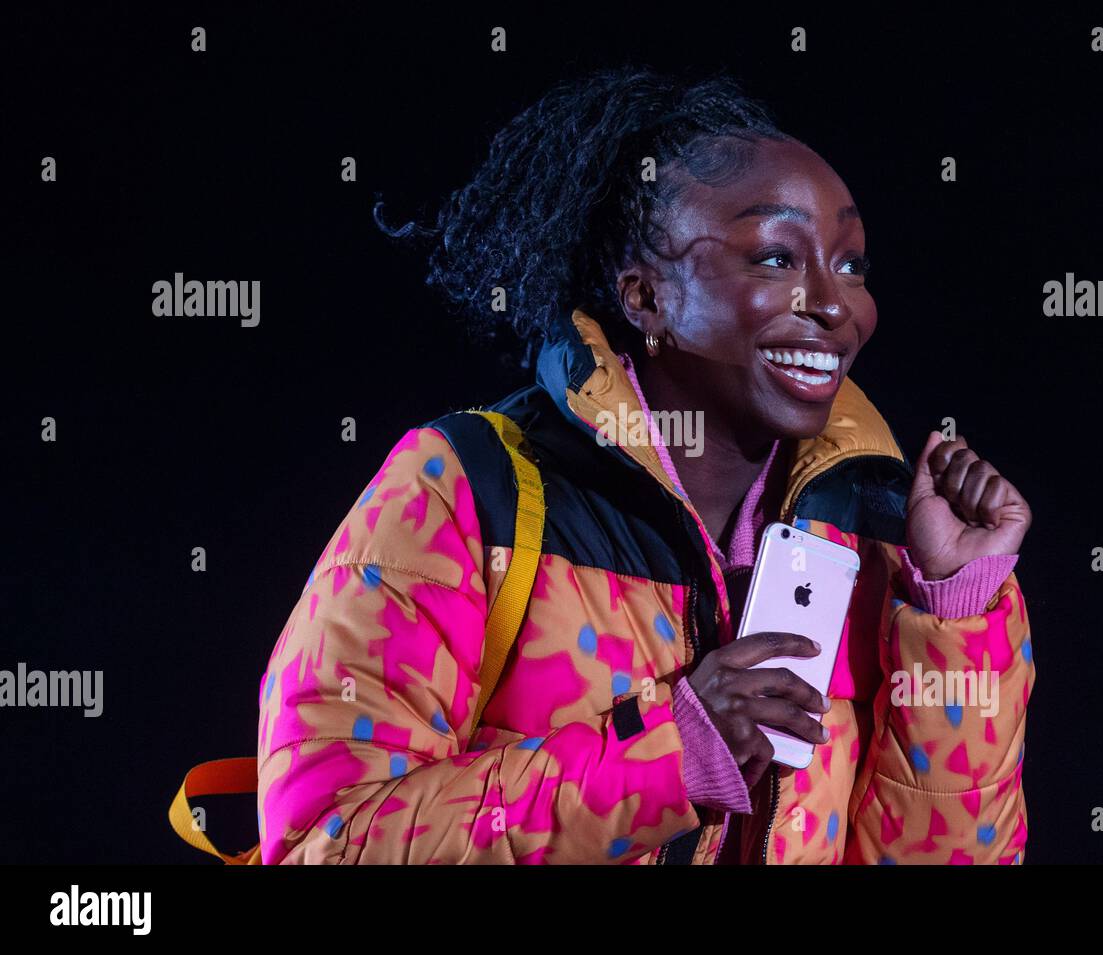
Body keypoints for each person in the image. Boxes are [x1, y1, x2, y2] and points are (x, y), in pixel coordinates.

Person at [255, 66, 1035, 864]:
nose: (836, 306)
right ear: (643, 295)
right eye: (776, 258)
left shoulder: (877, 542)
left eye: (851, 264)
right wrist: (670, 756)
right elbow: (331, 842)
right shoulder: (465, 488)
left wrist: (953, 618)